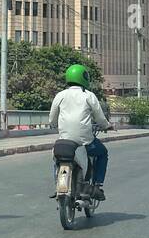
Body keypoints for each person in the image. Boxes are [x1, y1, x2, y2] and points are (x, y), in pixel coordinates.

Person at [48, 64, 112, 199]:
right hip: (85, 141)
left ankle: (57, 185)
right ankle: (97, 184)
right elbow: (100, 118)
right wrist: (106, 126)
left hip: (64, 140)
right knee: (103, 153)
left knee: (56, 158)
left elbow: (52, 118)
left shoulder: (60, 95)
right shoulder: (89, 96)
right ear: (84, 77)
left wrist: (54, 125)